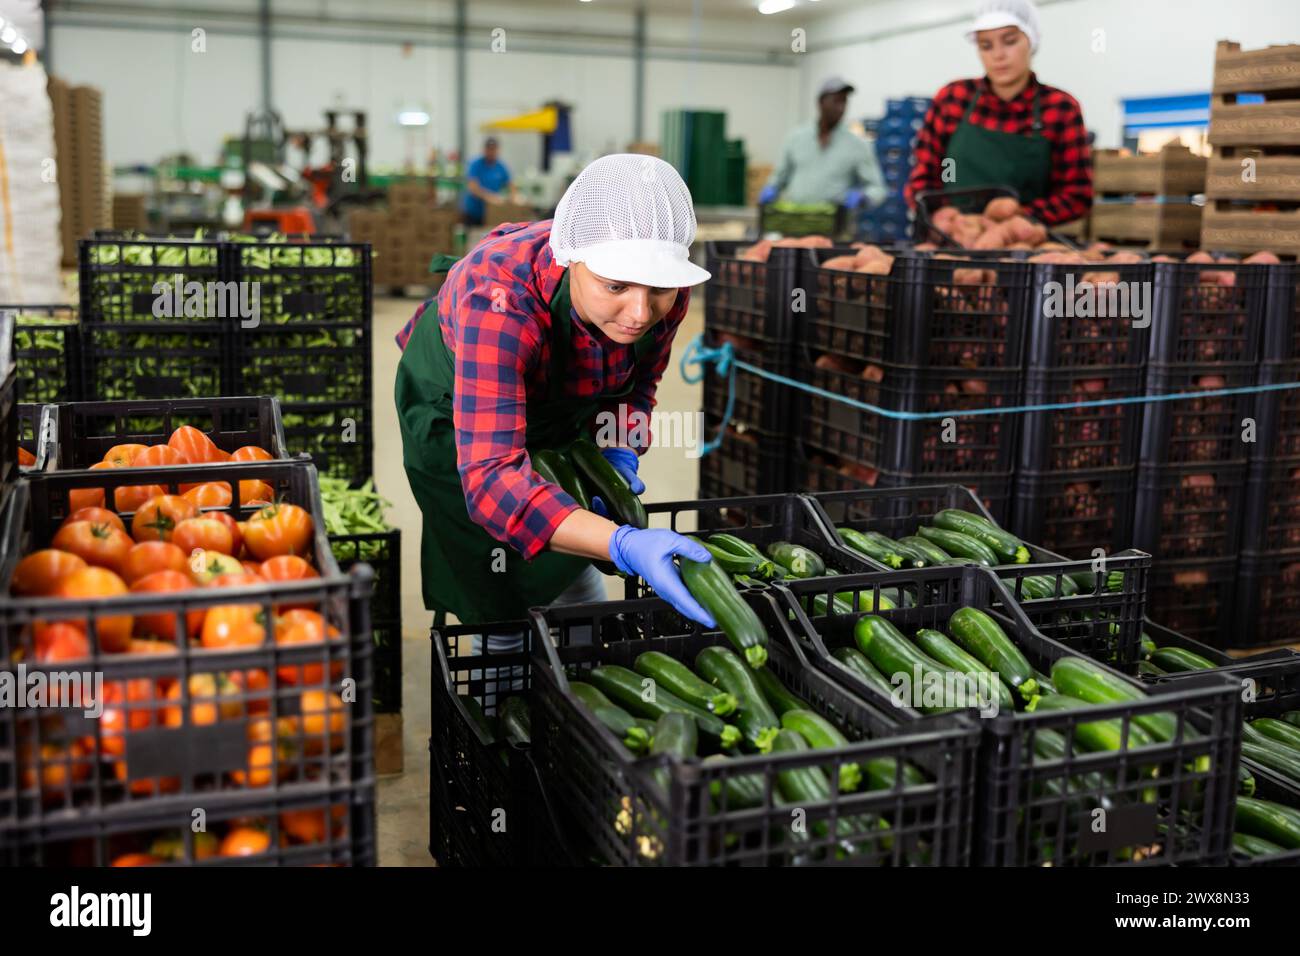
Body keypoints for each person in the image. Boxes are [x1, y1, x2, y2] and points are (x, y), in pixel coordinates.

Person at [394, 154, 717, 644]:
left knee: (571, 580)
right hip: (460, 410)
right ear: (571, 258)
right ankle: (496, 673)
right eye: (615, 286)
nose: (639, 311)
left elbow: (638, 387)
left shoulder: (661, 288)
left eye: (659, 289)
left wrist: (618, 449)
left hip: (561, 404)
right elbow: (491, 478)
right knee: (496, 586)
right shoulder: (499, 299)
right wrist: (620, 544)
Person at [905, 0, 1093, 226]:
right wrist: (941, 215)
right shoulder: (953, 100)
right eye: (986, 45)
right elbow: (927, 174)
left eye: (1010, 41)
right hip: (951, 238)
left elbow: (1076, 195)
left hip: (1021, 248)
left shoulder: (1060, 108)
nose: (998, 55)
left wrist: (1020, 218)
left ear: (1031, 40)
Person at [760, 77, 886, 213]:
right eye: (836, 101)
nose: (841, 108)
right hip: (795, 220)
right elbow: (780, 176)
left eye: (844, 102)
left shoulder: (857, 145)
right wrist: (771, 188)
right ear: (820, 102)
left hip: (836, 225)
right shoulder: (796, 138)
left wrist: (863, 197)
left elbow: (877, 189)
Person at [461, 137, 519, 226]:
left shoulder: (501, 166)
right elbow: (473, 187)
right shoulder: (475, 164)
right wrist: (489, 197)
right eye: (489, 149)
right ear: (484, 149)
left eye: (493, 149)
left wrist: (513, 197)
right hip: (474, 212)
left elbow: (511, 184)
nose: (491, 152)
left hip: (492, 212)